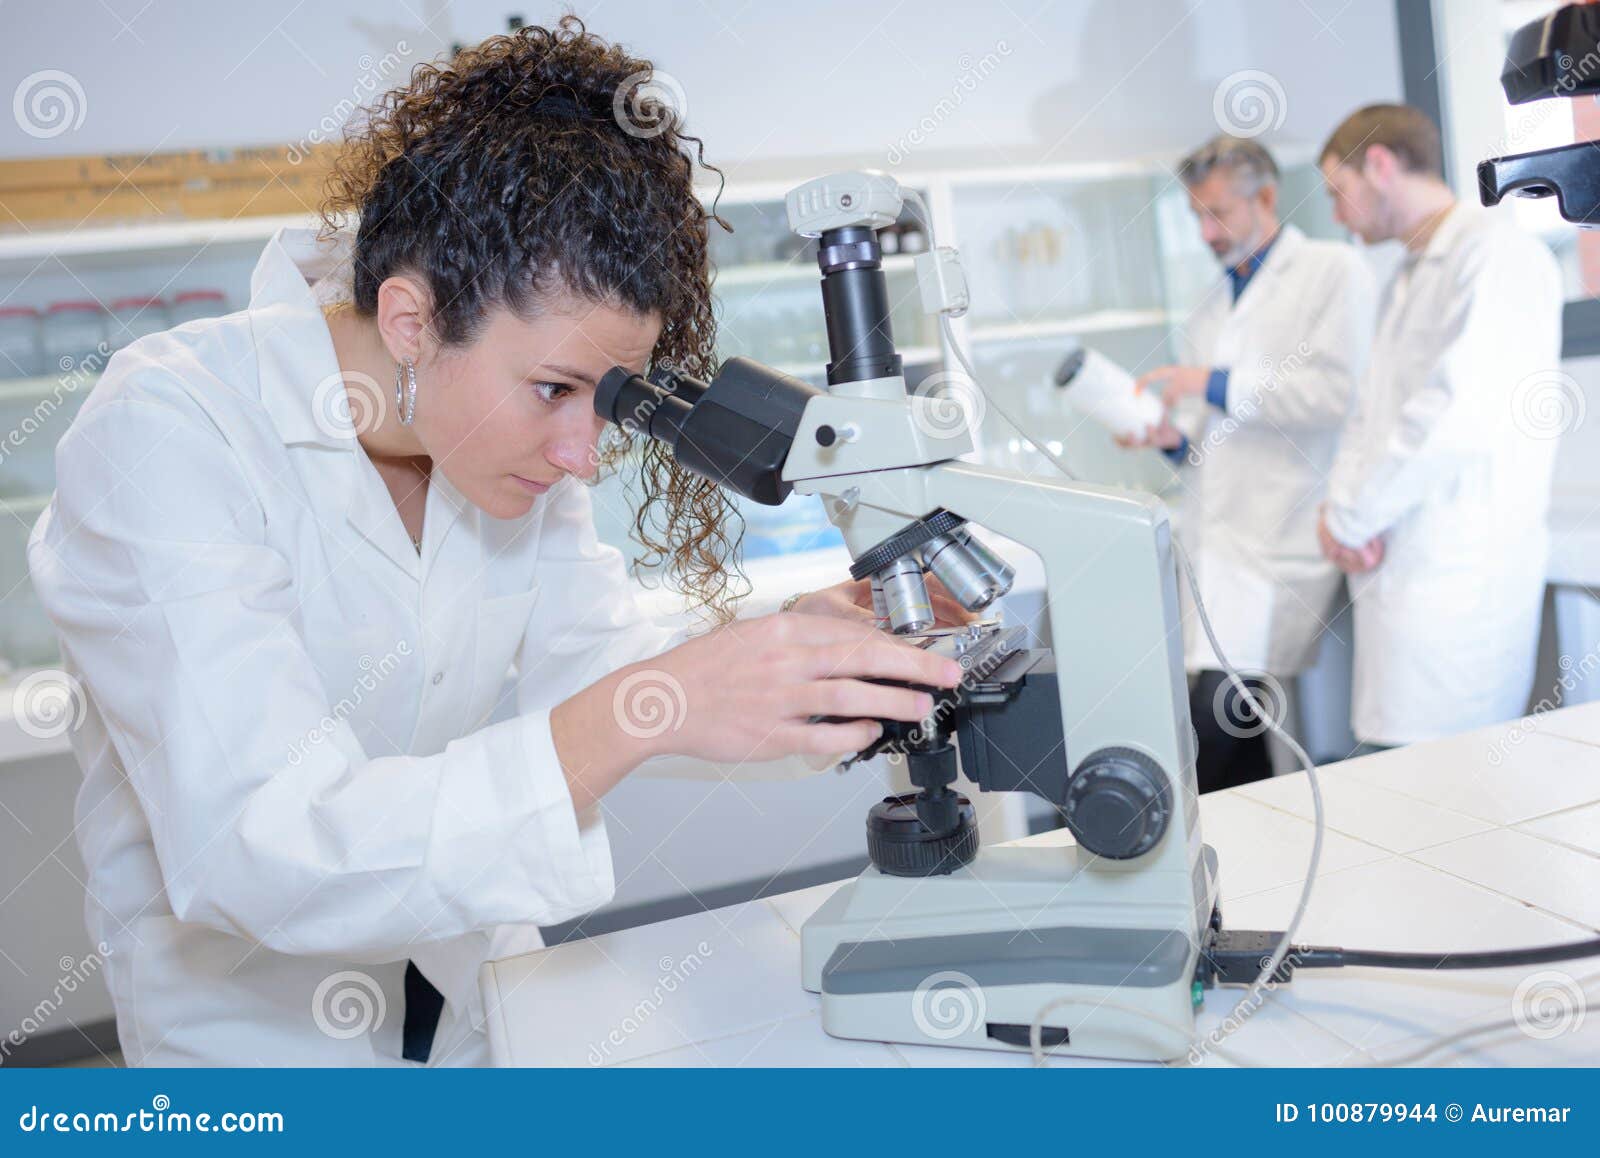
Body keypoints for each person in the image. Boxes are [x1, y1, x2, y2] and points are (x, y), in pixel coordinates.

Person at [25, 21, 968, 1067]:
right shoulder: (168, 430)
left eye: (608, 400)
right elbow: (265, 845)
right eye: (555, 390)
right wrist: (646, 708)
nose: (583, 455)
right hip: (259, 1051)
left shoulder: (503, 455)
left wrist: (800, 659)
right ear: (411, 320)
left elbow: (599, 671)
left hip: (488, 1007)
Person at [1120, 136, 1375, 792]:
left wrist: (1210, 382)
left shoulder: (1331, 272)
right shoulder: (1211, 303)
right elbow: (1215, 445)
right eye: (1196, 217)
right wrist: (1166, 440)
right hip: (1220, 545)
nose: (1206, 232)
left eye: (1218, 214)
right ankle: (1249, 868)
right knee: (1233, 731)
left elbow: (1333, 393)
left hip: (1283, 535)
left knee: (1218, 727)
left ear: (1265, 196)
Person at [1316, 103, 1563, 751]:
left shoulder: (1498, 257)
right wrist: (1343, 515)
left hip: (1457, 582)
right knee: (1395, 780)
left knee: (1449, 794)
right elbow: (1370, 417)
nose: (1337, 215)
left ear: (1379, 165)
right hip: (1398, 572)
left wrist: (1349, 521)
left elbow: (1459, 417)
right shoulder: (1408, 275)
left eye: (1337, 192)